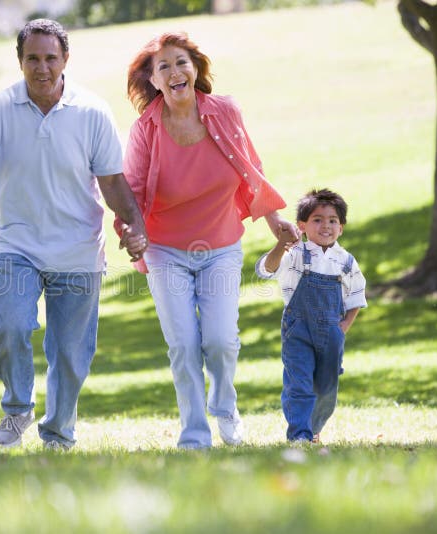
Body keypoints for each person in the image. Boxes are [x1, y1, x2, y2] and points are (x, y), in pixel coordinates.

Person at [0, 19, 147, 451]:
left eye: (50, 58)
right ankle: (18, 406)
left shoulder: (92, 110)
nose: (42, 68)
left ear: (66, 60)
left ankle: (58, 432)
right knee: (9, 325)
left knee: (72, 353)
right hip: (17, 244)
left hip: (78, 247)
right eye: (32, 59)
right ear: (20, 61)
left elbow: (113, 182)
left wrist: (134, 225)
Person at [121, 32, 298, 449]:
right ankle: (195, 434)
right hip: (166, 250)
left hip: (220, 246)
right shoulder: (146, 128)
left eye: (181, 62)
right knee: (183, 345)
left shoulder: (224, 111)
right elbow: (130, 188)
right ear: (154, 80)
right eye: (163, 66)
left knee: (219, 341)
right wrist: (132, 233)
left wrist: (274, 220)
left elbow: (250, 166)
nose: (174, 71)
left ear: (195, 68)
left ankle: (224, 406)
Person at [255, 188, 367, 443]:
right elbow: (266, 270)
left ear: (341, 228)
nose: (325, 226)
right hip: (298, 331)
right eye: (317, 219)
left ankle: (314, 427)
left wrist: (343, 327)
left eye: (332, 221)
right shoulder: (295, 254)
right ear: (302, 226)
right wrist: (281, 244)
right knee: (299, 383)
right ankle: (300, 434)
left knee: (327, 387)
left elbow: (356, 296)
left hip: (331, 332)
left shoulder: (346, 261)